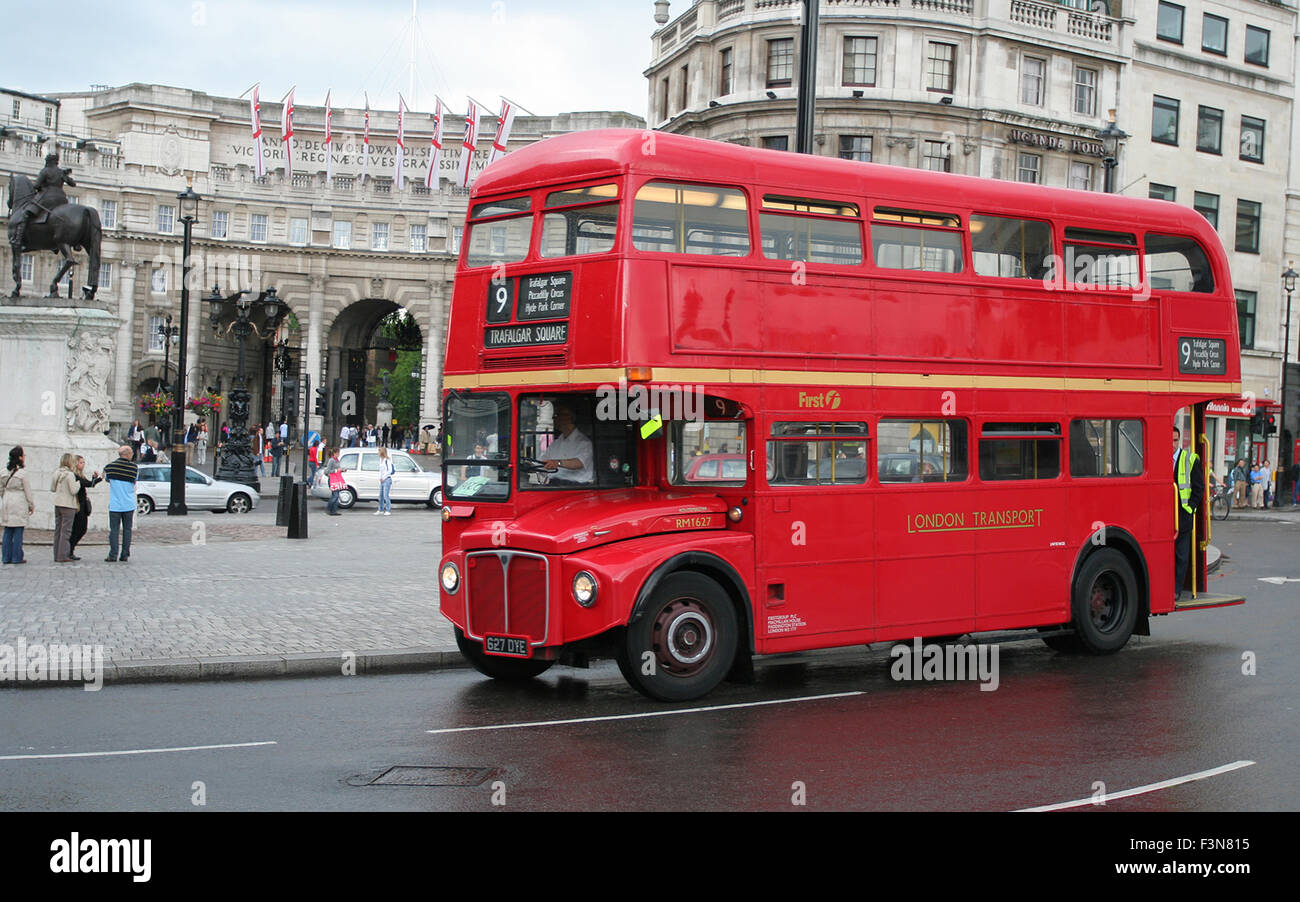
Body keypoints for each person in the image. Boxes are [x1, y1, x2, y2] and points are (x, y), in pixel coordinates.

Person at [1173, 426, 1203, 602]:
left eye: (1175, 440)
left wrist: (1190, 508)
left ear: (1180, 441)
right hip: (1165, 514)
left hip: (1183, 515)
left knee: (1181, 555)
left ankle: (1176, 589)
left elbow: (1199, 488)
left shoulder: (1190, 459)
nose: (1172, 444)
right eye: (1169, 440)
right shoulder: (1159, 458)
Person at [540, 405, 594, 484]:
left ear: (569, 418)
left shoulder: (584, 443)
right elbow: (543, 460)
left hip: (577, 486)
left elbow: (579, 463)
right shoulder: (556, 443)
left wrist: (557, 463)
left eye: (557, 415)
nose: (554, 419)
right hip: (554, 483)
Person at [1, 446, 35, 564]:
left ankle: (5, 557)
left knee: (7, 530)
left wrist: (5, 497)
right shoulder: (22, 473)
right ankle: (16, 557)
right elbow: (27, 491)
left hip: (7, 499)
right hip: (19, 500)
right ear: (20, 457)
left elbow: (1, 489)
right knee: (18, 530)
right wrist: (31, 504)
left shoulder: (3, 472)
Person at [104, 445, 138, 562]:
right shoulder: (134, 468)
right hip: (128, 504)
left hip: (115, 504)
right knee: (127, 530)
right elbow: (134, 481)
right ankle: (125, 554)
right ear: (128, 454)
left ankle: (113, 554)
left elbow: (107, 479)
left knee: (114, 530)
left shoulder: (110, 467)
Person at [68, 455, 102, 562]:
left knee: (81, 529)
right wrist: (99, 479)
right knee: (79, 529)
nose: (83, 464)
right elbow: (87, 484)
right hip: (78, 505)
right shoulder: (74, 475)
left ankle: (70, 549)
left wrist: (94, 479)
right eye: (81, 462)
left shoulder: (79, 475)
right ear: (75, 464)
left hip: (82, 505)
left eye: (83, 462)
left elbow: (88, 483)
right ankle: (69, 550)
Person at [51, 453, 79, 563]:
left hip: (58, 503)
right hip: (68, 504)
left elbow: (52, 488)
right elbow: (73, 490)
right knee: (66, 531)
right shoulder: (70, 475)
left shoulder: (57, 473)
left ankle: (56, 554)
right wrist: (78, 484)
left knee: (58, 530)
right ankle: (63, 555)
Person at [323, 447, 343, 516]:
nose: (339, 454)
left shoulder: (337, 460)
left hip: (337, 479)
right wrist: (336, 470)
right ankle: (328, 508)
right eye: (338, 453)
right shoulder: (331, 460)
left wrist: (342, 470)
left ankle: (333, 511)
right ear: (334, 453)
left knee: (336, 496)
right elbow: (327, 471)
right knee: (335, 495)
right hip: (332, 479)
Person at [376, 446, 395, 516]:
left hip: (387, 479)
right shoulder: (381, 460)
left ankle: (388, 509)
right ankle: (380, 509)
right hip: (382, 480)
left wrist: (383, 477)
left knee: (385, 495)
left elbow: (389, 470)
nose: (378, 453)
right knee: (380, 495)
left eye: (379, 451)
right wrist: (380, 477)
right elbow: (381, 471)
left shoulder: (387, 460)